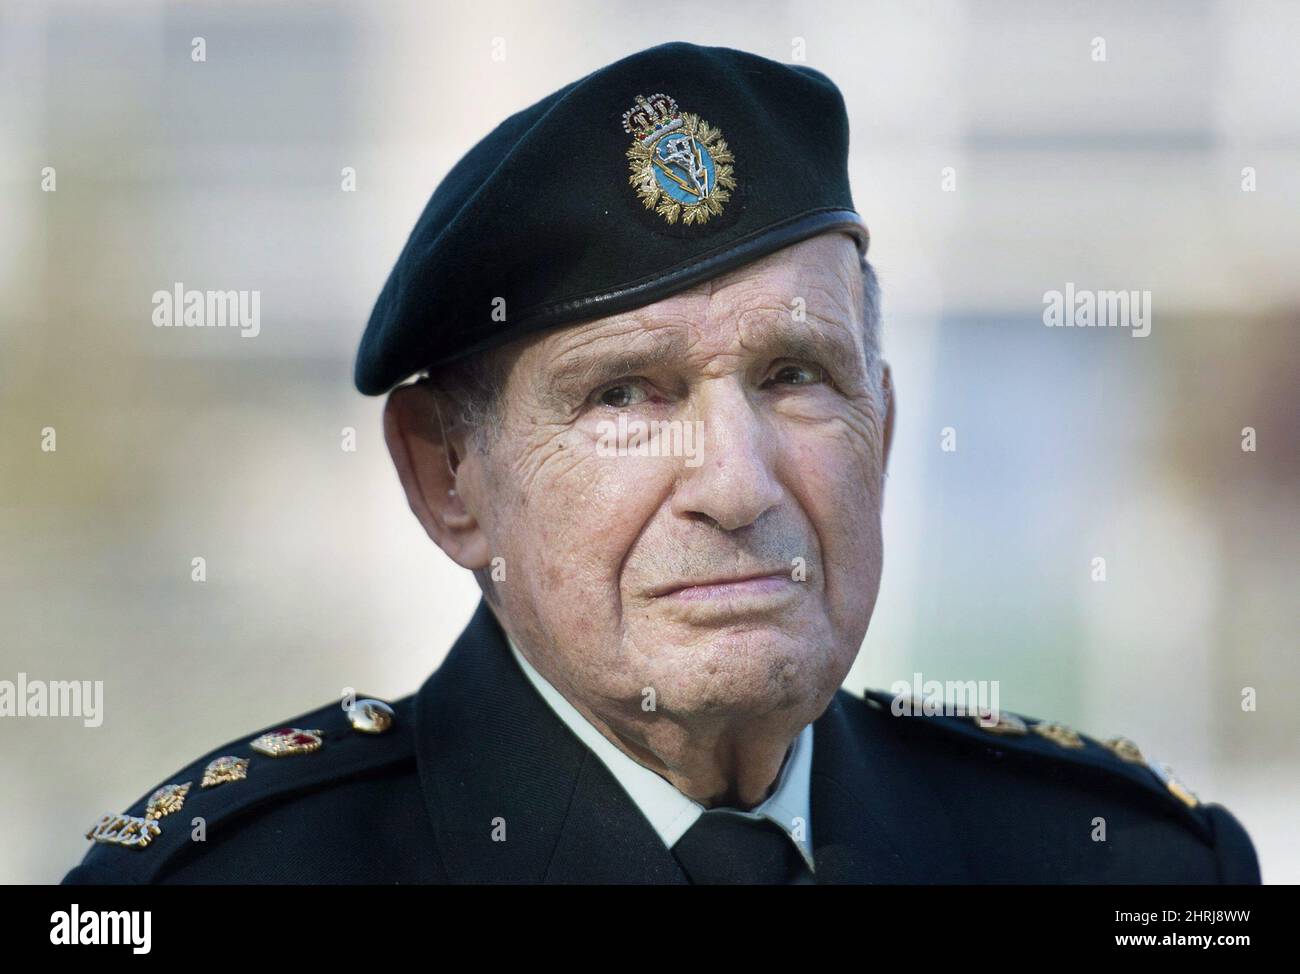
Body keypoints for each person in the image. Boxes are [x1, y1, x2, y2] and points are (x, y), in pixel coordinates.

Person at [64, 41, 1260, 885]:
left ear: (883, 429)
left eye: (795, 376)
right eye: (625, 394)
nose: (736, 484)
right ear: (449, 479)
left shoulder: (1137, 868)